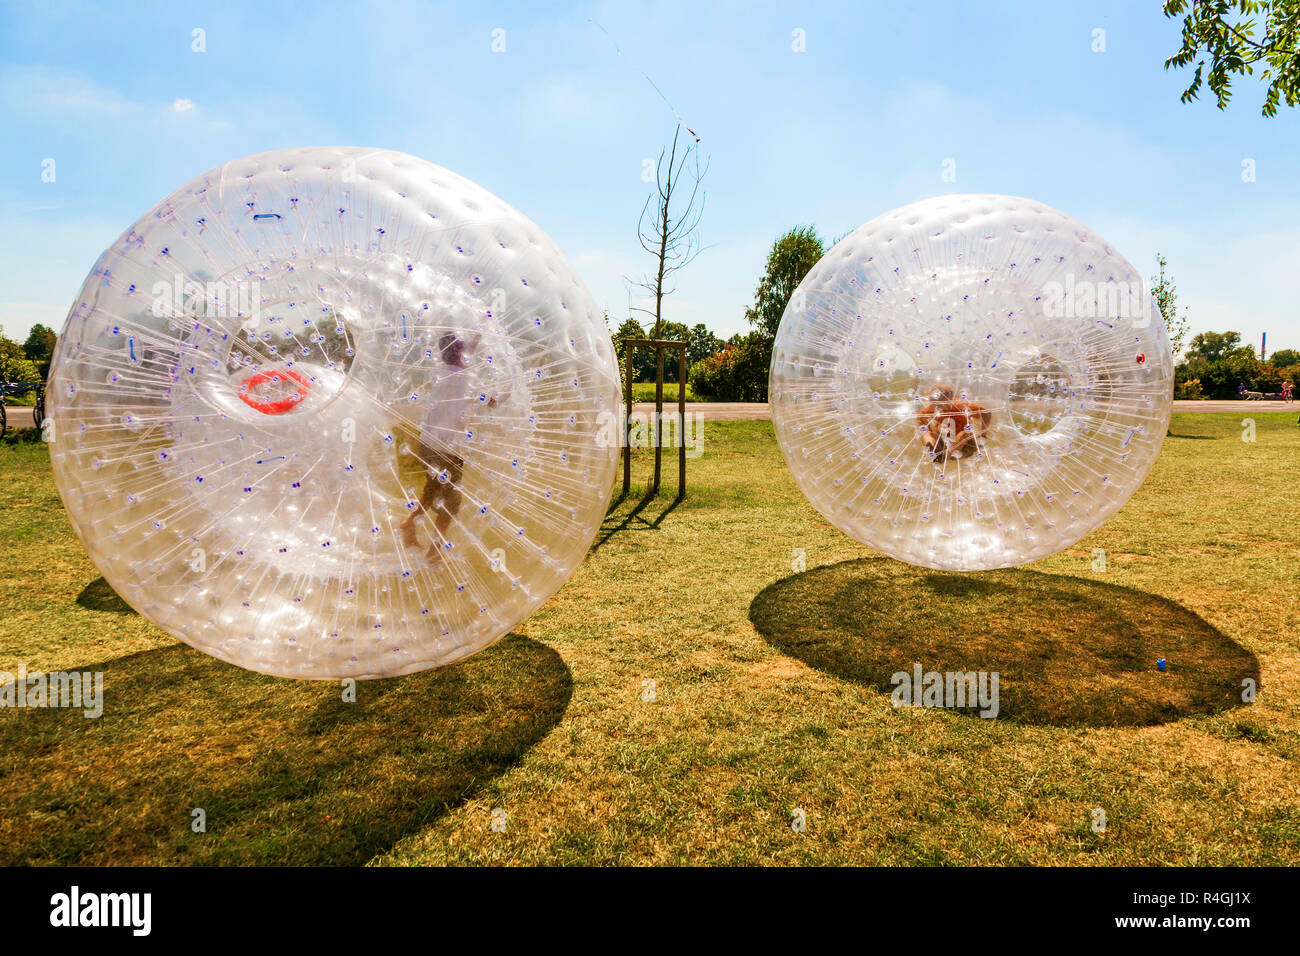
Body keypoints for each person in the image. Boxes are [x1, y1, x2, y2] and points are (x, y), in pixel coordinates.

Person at [400, 333, 497, 565]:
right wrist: (509, 389)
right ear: (461, 354)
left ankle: (409, 523)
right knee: (451, 502)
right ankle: (435, 550)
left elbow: (463, 354)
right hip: (448, 449)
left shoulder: (440, 373)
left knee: (432, 491)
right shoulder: (468, 380)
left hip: (427, 445)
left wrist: (476, 336)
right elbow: (492, 401)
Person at [917, 383, 992, 462]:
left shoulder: (961, 405)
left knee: (964, 434)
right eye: (934, 404)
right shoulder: (931, 407)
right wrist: (927, 429)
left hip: (964, 446)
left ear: (950, 399)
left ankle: (945, 456)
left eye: (940, 404)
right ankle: (932, 449)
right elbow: (920, 419)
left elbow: (986, 412)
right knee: (927, 434)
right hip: (943, 442)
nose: (937, 407)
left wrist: (983, 434)